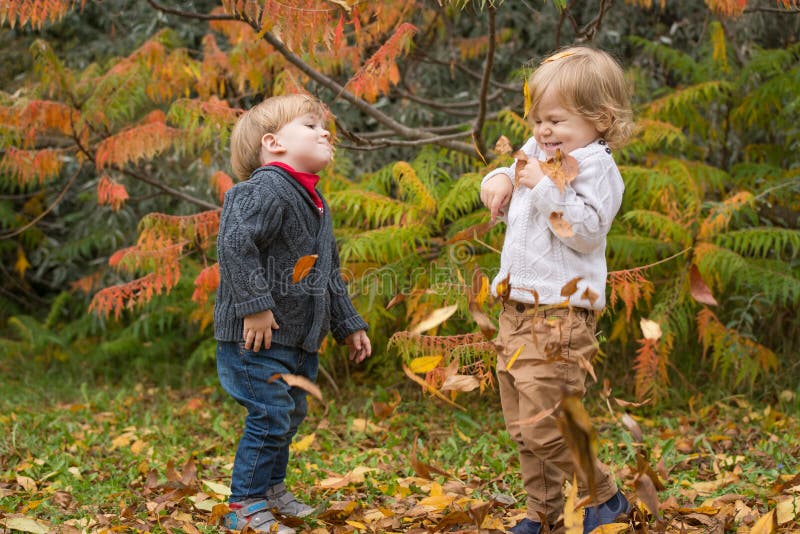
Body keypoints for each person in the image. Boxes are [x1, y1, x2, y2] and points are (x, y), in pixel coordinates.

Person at [479, 47, 634, 534]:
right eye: (538, 119)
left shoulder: (596, 167)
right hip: (516, 309)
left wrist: (542, 187)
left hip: (560, 316)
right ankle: (543, 512)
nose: (543, 130)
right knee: (524, 427)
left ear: (601, 119)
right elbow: (515, 168)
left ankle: (605, 498)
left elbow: (587, 229)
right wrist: (500, 179)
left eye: (556, 120)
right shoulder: (542, 152)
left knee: (548, 423)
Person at [214, 94, 372, 534]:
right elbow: (234, 244)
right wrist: (255, 307)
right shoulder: (265, 188)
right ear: (273, 143)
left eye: (323, 126)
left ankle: (270, 488)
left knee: (288, 413)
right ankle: (244, 505)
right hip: (256, 339)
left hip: (297, 342)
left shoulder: (314, 203)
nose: (325, 132)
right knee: (269, 414)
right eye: (310, 124)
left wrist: (347, 323)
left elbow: (327, 274)